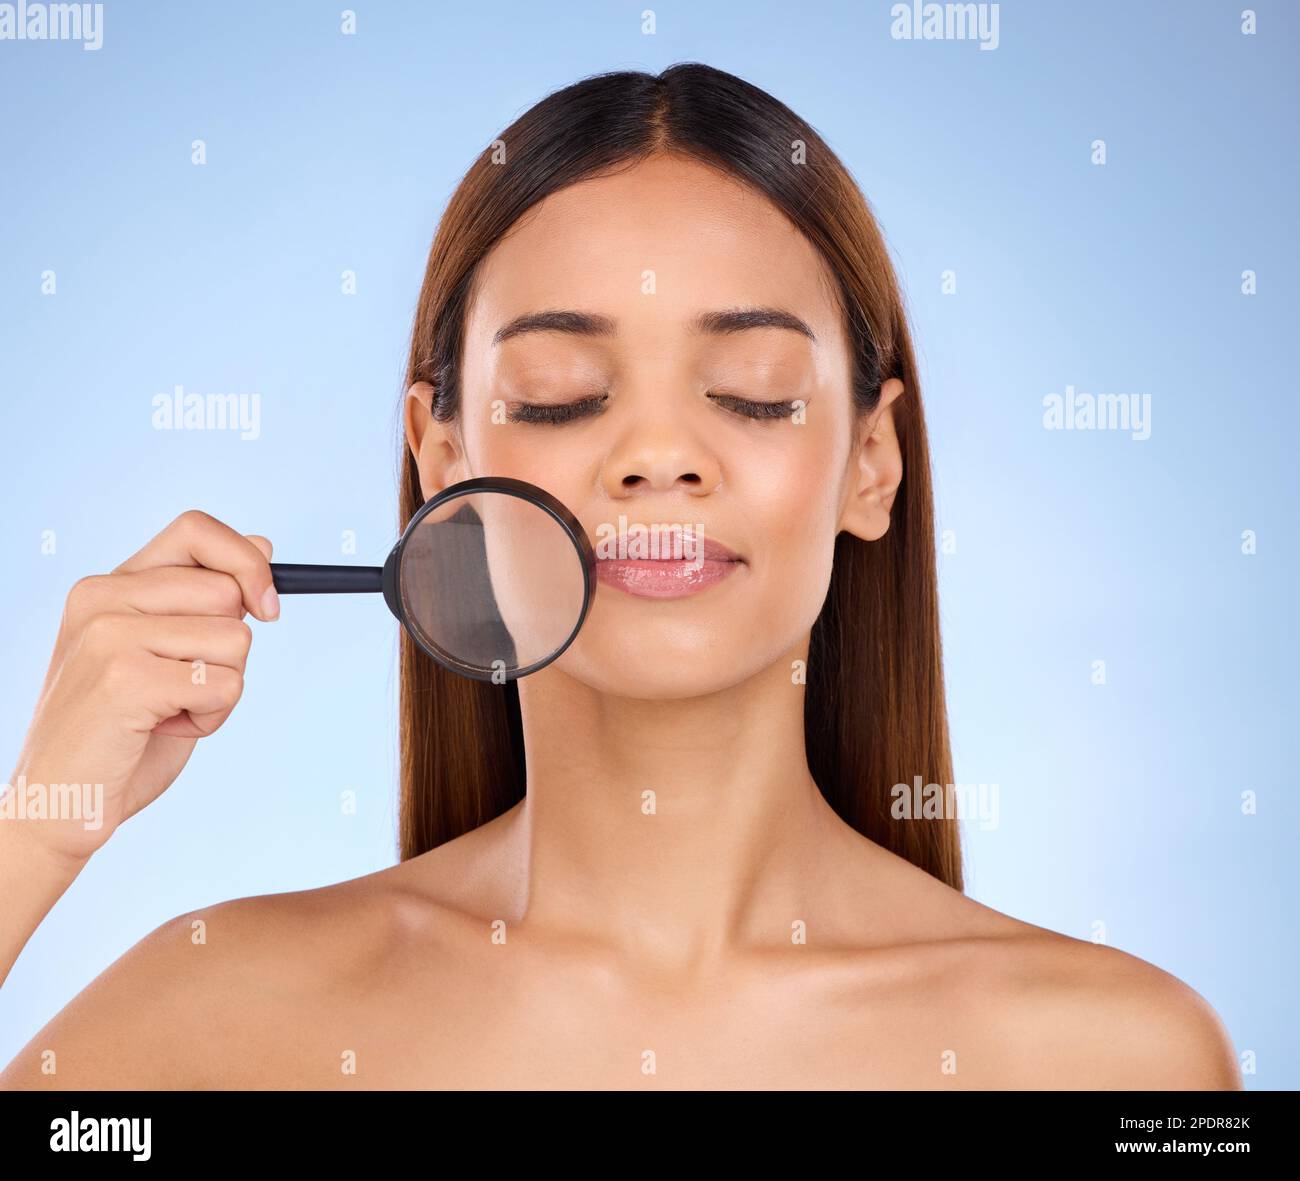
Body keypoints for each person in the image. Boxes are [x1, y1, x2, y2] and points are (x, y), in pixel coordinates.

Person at [0, 63, 1241, 1089]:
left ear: (872, 460)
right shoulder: (216, 1017)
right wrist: (35, 831)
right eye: (562, 397)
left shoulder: (1115, 1062)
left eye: (753, 391)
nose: (656, 458)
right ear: (442, 460)